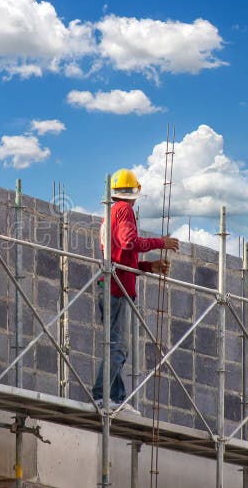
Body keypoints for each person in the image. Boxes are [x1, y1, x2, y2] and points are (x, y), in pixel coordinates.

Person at [92, 168, 179, 414]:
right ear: (134, 192)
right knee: (118, 346)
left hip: (113, 284)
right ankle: (101, 397)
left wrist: (148, 266)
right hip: (116, 288)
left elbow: (121, 256)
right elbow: (129, 241)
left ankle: (115, 399)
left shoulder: (111, 213)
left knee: (117, 345)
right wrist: (160, 242)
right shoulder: (124, 210)